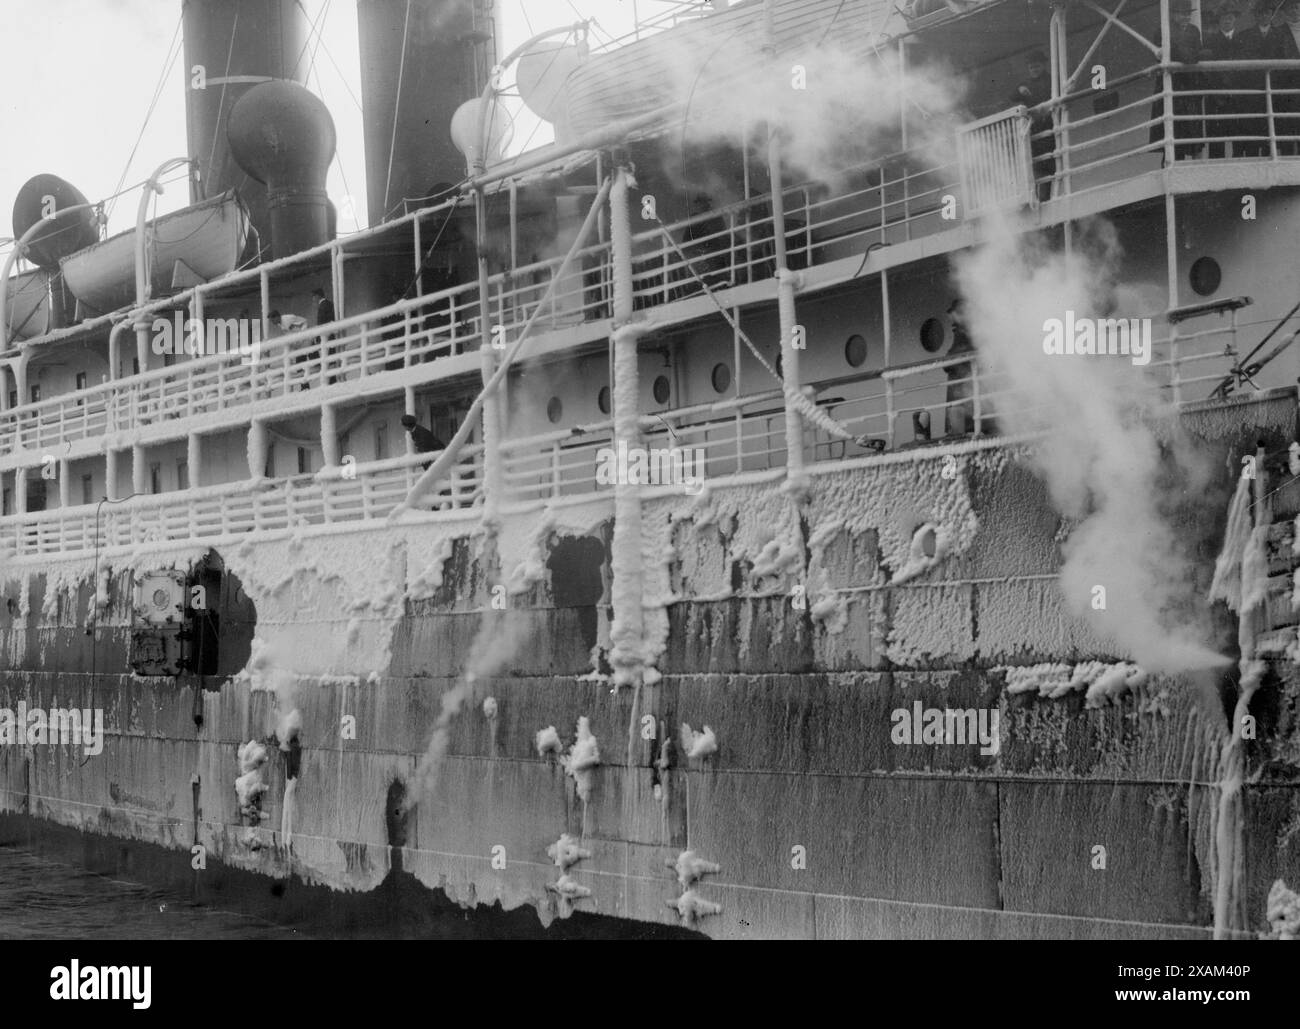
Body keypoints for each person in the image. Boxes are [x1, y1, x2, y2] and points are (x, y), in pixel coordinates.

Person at [1150, 0, 1205, 161]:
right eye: (1182, 13)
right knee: (1172, 137)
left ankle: (1194, 176)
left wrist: (1188, 55)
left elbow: (1195, 53)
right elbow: (1186, 55)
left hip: (1189, 87)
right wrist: (1190, 55)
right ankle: (1171, 166)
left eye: (1188, 13)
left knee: (1191, 135)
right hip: (1171, 87)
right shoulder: (1163, 31)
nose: (1186, 16)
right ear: (1173, 14)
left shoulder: (1194, 31)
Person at [1204, 3, 1249, 157]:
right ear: (1218, 21)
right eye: (1223, 17)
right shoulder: (1209, 42)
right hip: (1218, 98)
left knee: (1240, 140)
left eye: (1230, 17)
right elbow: (1208, 72)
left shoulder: (1244, 39)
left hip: (1239, 96)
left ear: (1235, 19)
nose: (1227, 20)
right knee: (1217, 141)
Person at [1010, 51, 1055, 201]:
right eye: (1031, 67)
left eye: (1036, 66)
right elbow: (1012, 97)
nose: (1034, 70)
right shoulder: (1026, 84)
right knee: (1035, 164)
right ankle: (1038, 196)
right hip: (1033, 129)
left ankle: (1046, 197)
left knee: (1049, 163)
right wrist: (1019, 90)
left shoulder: (1051, 80)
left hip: (1048, 126)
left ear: (1043, 65)